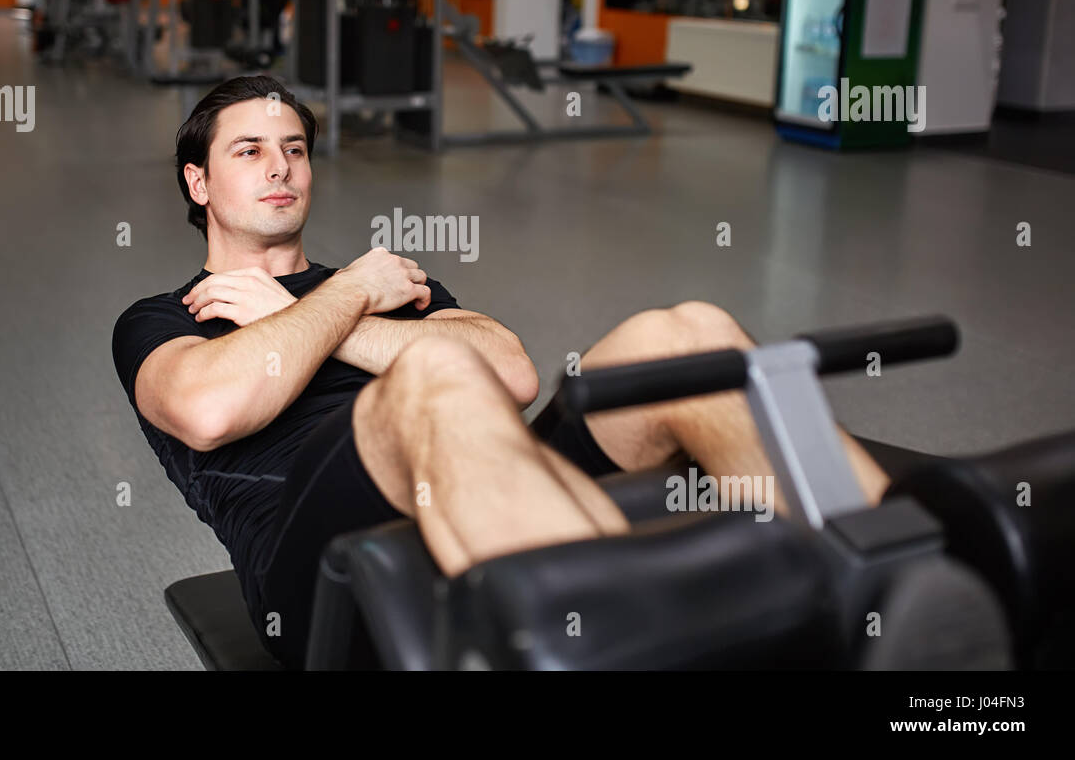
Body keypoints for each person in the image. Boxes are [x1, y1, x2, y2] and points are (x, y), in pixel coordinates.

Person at [112, 75, 893, 669]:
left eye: (294, 149)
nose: (280, 166)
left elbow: (512, 374)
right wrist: (355, 296)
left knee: (689, 333)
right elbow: (209, 408)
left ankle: (898, 585)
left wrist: (332, 312)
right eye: (248, 151)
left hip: (495, 493)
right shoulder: (167, 316)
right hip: (322, 576)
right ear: (199, 183)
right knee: (430, 378)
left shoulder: (386, 282)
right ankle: (624, 637)